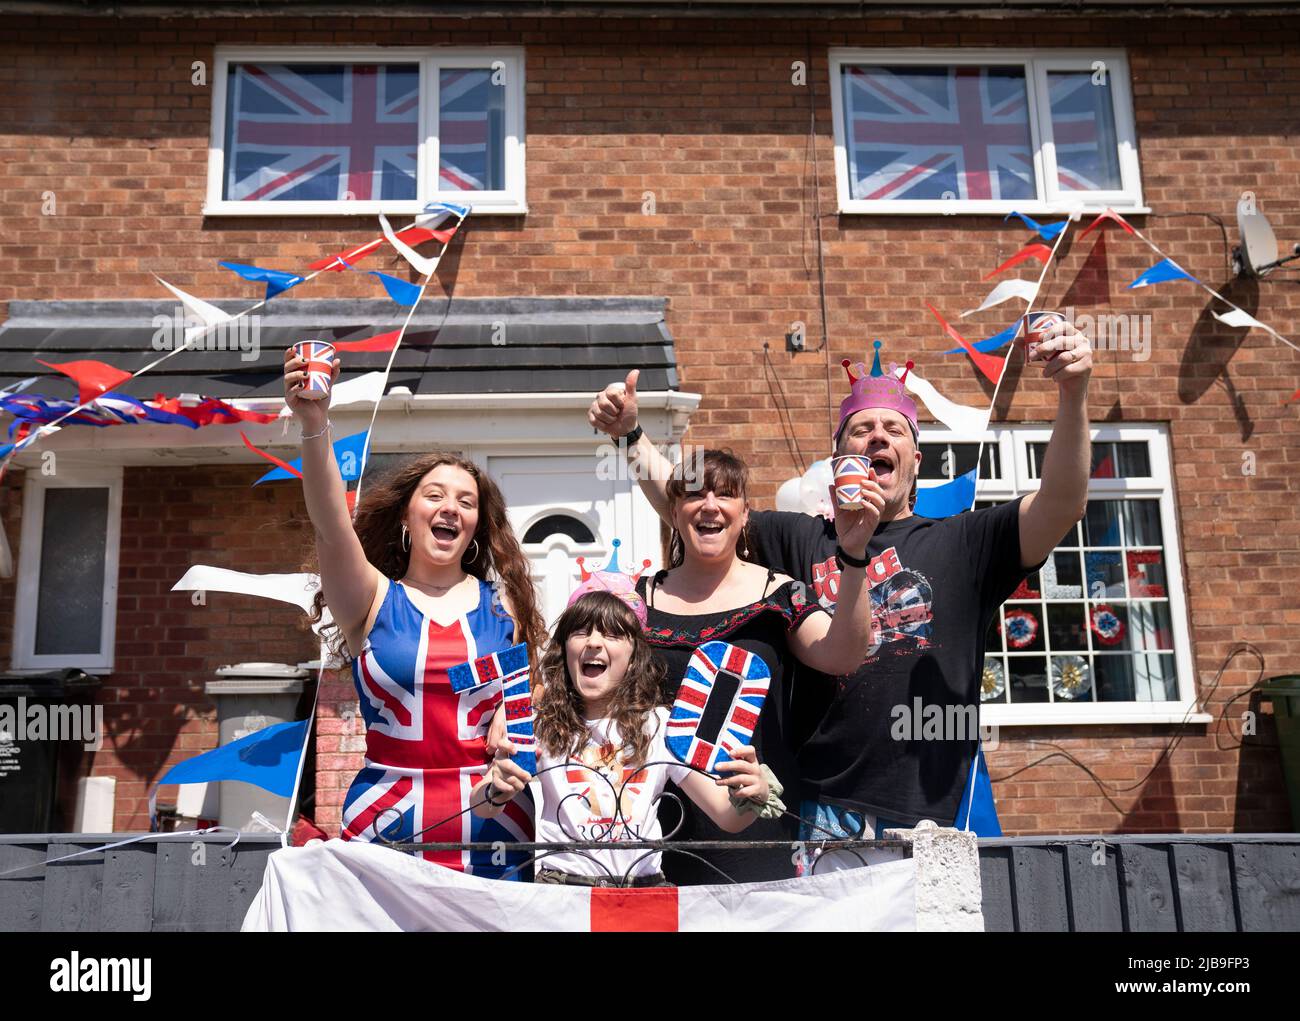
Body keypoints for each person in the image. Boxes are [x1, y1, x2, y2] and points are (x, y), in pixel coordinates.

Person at [588, 322, 1093, 870]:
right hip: (812, 814)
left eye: (894, 430)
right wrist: (631, 439)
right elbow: (700, 512)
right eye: (862, 429)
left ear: (916, 459)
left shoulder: (966, 540)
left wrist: (1073, 391)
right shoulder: (798, 537)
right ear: (837, 458)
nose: (878, 437)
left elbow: (1062, 502)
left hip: (922, 815)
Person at [283, 346, 545, 878]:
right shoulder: (371, 598)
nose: (451, 508)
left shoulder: (507, 602)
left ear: (476, 526)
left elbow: (546, 688)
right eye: (435, 495)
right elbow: (332, 522)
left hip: (498, 837)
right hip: (387, 834)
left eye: (466, 502)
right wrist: (314, 421)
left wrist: (526, 703)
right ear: (408, 515)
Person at [633, 448, 879, 884]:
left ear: (745, 514)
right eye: (695, 494)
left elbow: (844, 654)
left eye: (725, 495)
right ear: (675, 510)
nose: (710, 505)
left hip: (755, 833)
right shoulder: (636, 600)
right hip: (649, 835)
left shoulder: (777, 593)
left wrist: (854, 557)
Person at [472, 590, 774, 887]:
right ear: (564, 650)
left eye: (612, 634)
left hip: (644, 893)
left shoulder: (662, 726)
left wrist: (753, 792)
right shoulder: (538, 724)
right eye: (580, 631)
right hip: (564, 894)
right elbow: (482, 806)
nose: (593, 642)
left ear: (633, 658)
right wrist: (495, 788)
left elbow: (726, 816)